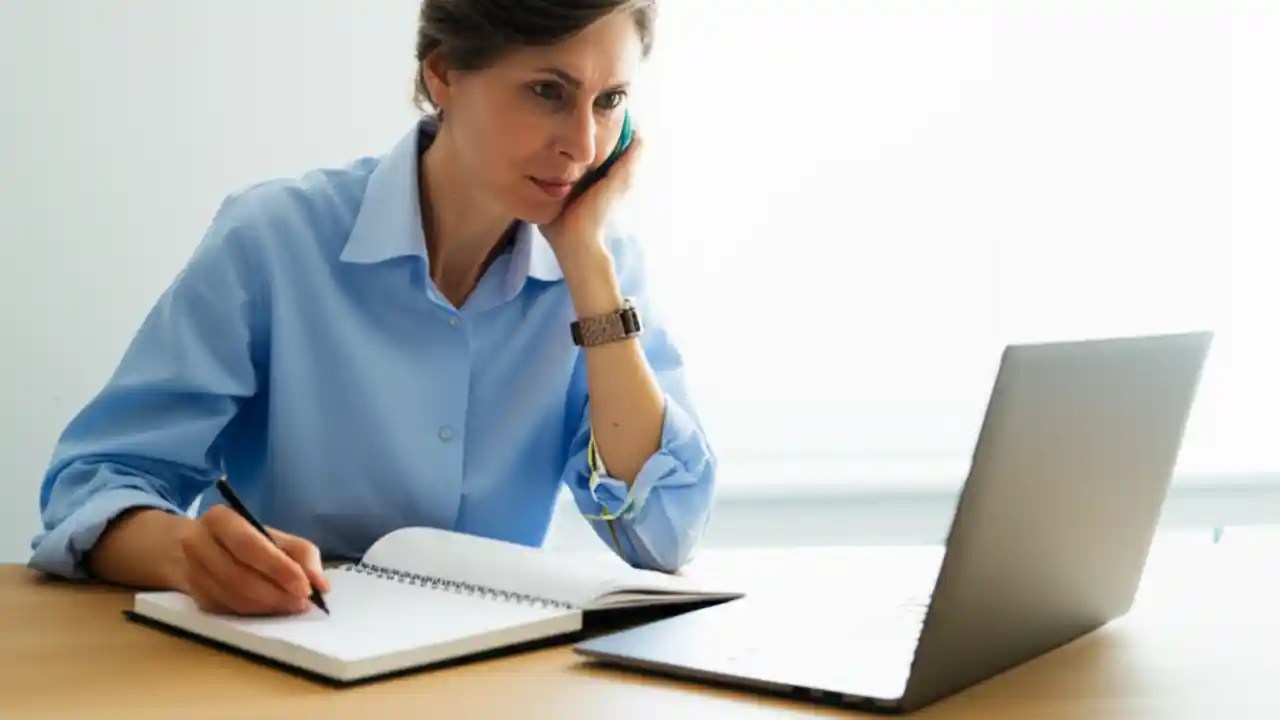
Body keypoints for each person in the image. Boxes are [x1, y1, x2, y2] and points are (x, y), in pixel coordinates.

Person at [29, 0, 716, 616]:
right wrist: (186, 554)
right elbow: (95, 483)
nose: (585, 146)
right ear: (443, 75)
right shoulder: (274, 241)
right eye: (547, 91)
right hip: (282, 662)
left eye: (610, 100)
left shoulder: (600, 270)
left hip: (496, 679)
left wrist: (588, 268)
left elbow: (661, 533)